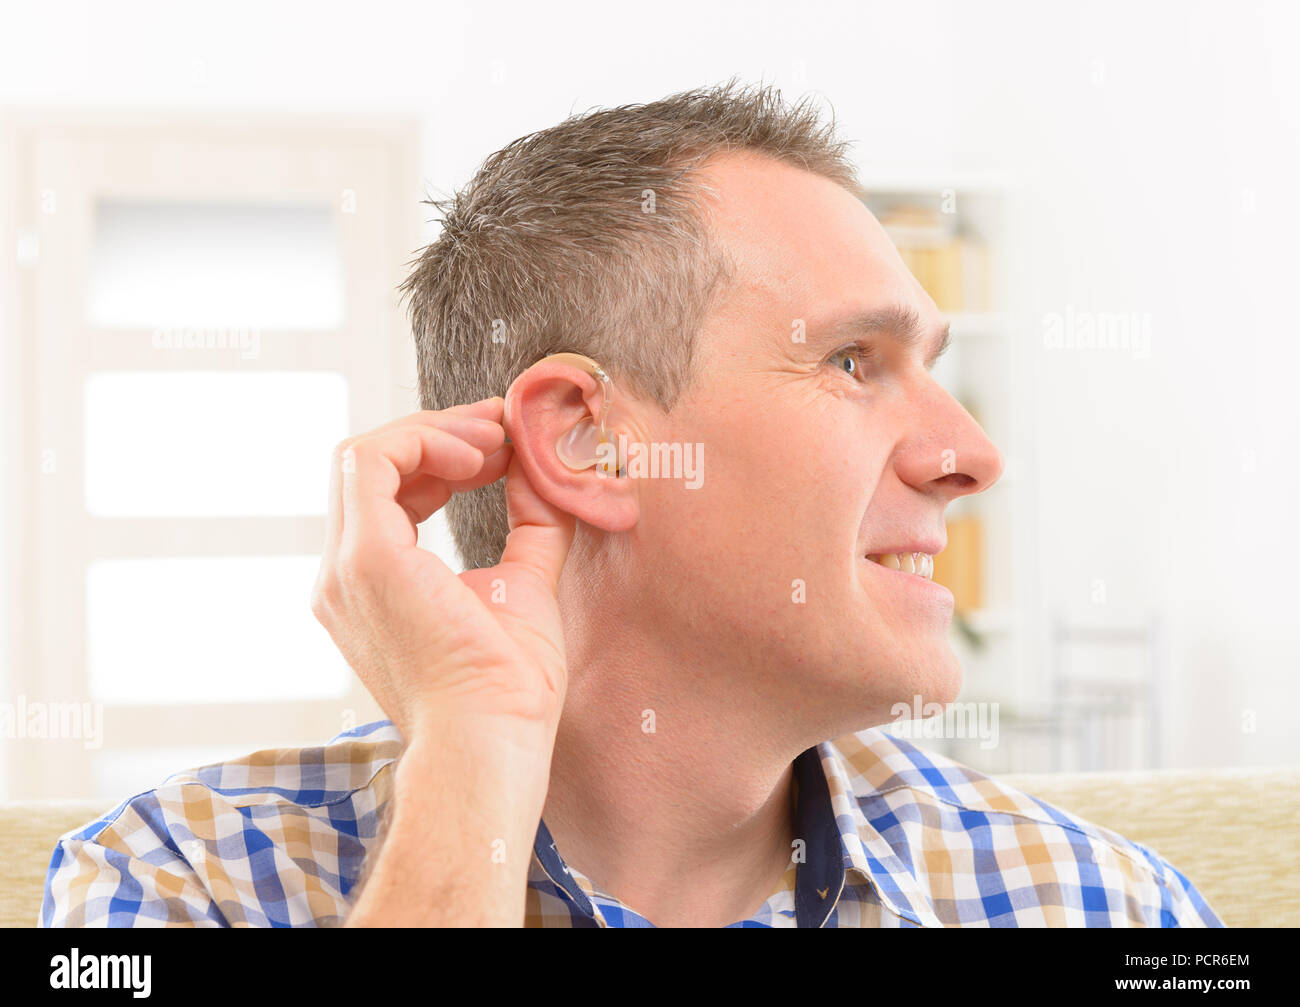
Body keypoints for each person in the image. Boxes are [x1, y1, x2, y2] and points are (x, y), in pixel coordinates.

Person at [42, 81, 1222, 928]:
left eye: (936, 372)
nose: (970, 456)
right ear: (590, 440)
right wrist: (472, 751)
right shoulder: (176, 881)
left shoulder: (1106, 904)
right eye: (855, 362)